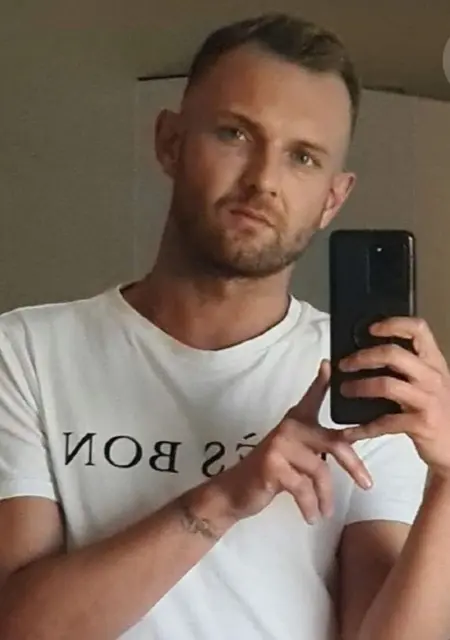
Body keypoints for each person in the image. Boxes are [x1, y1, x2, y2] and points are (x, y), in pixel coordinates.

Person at [0, 12, 449, 640]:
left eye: (302, 157)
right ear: (170, 142)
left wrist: (447, 484)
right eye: (235, 134)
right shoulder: (26, 352)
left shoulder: (365, 382)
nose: (263, 180)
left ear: (333, 198)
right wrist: (222, 499)